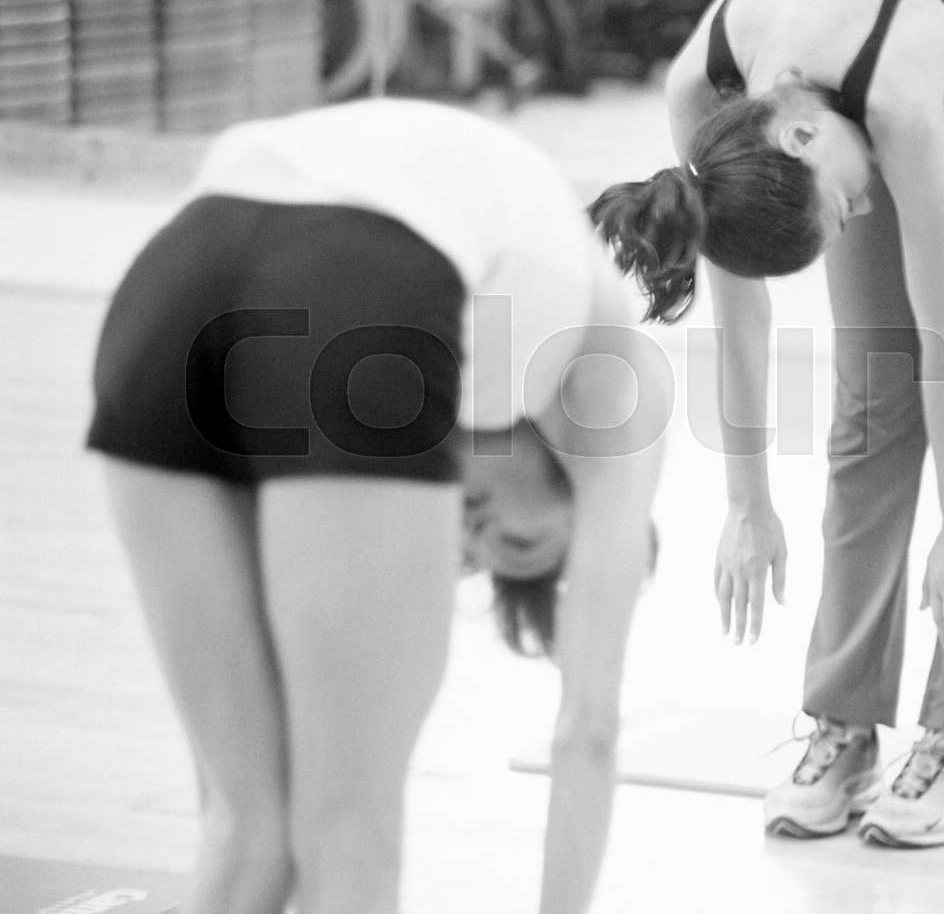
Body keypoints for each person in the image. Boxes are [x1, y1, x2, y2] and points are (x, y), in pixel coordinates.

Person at [590, 0, 944, 847]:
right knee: (872, 401)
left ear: (800, 139)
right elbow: (741, 318)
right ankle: (843, 724)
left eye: (838, 207)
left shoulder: (897, 107)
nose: (858, 216)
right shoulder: (708, 104)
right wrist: (745, 502)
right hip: (863, 82)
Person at [86, 98, 669, 914]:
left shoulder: (482, 338)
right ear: (588, 504)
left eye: (476, 556)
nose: (474, 539)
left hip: (172, 283)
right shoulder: (615, 379)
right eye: (525, 546)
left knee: (244, 830)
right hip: (349, 277)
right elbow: (589, 728)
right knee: (348, 837)